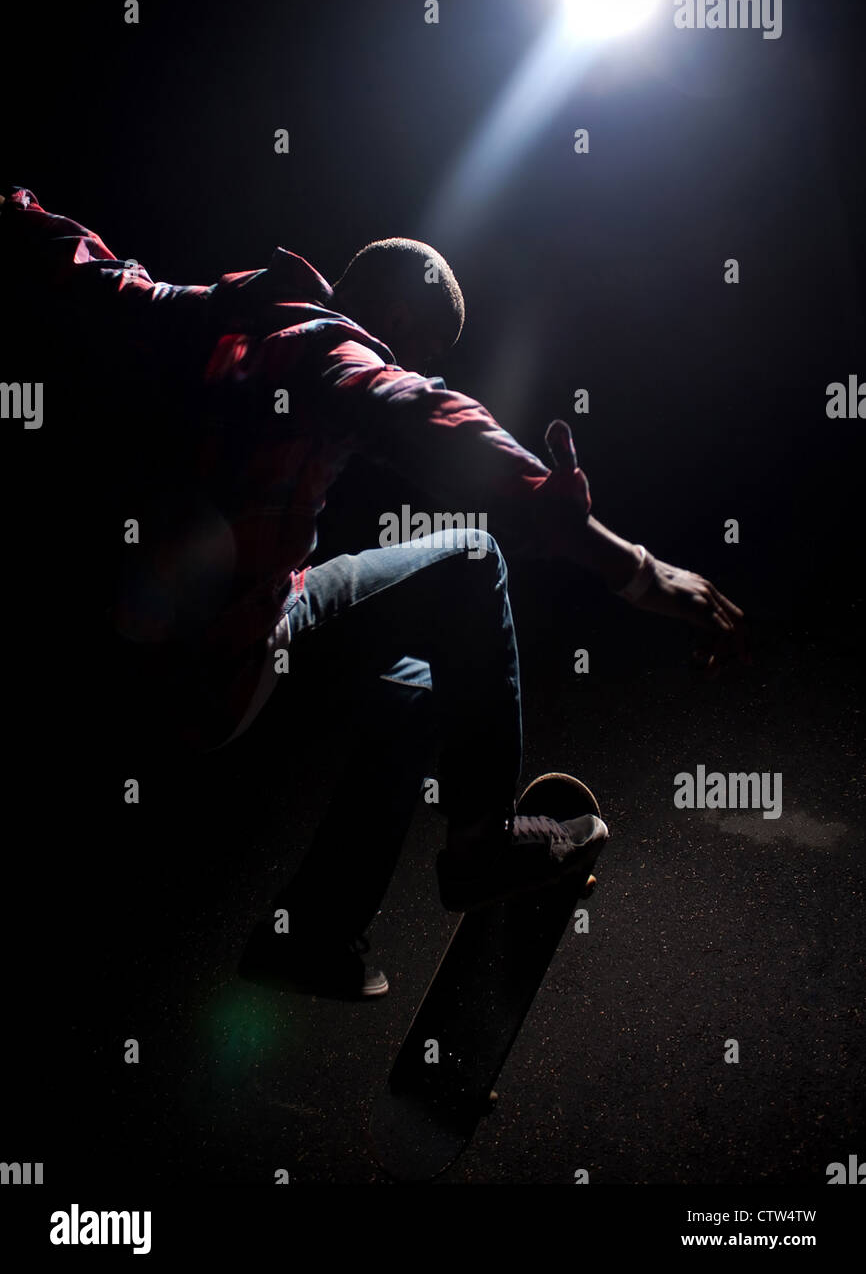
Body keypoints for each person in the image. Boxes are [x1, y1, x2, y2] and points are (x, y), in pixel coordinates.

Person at [0, 186, 747, 998]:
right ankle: (481, 845)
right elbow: (421, 411)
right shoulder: (329, 351)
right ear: (401, 316)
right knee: (471, 559)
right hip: (225, 665)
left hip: (135, 663)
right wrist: (628, 561)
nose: (417, 363)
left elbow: (82, 264)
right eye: (423, 345)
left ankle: (316, 935)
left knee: (421, 683)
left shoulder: (189, 311)